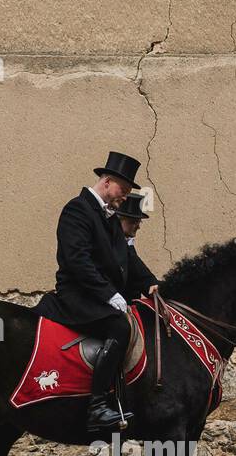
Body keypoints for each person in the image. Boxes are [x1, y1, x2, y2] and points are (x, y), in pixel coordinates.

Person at [35, 151, 155, 434]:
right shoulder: (77, 210)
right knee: (119, 327)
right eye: (123, 190)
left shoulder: (110, 219)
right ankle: (97, 406)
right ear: (107, 181)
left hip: (96, 295)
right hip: (76, 296)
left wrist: (151, 283)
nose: (125, 197)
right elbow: (77, 260)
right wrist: (108, 294)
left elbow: (126, 259)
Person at [115, 191, 159, 302]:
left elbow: (141, 275)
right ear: (118, 220)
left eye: (139, 222)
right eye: (133, 222)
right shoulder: (111, 245)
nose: (138, 226)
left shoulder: (128, 245)